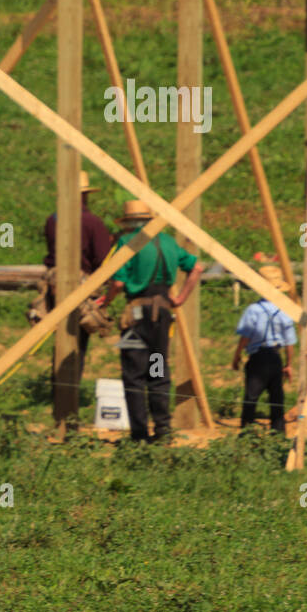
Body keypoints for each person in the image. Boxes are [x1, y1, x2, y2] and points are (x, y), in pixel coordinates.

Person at [101, 200, 203, 443]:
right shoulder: (168, 242)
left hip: (137, 316)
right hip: (163, 316)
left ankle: (138, 435)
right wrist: (180, 298)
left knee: (134, 374)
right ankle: (163, 431)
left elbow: (117, 283)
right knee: (158, 371)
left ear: (129, 223)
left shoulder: (129, 242)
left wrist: (105, 302)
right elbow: (197, 268)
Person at [43, 170, 112, 383]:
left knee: (61, 338)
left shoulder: (52, 220)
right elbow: (103, 258)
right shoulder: (92, 222)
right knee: (76, 342)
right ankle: (68, 394)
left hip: (54, 283)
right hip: (81, 285)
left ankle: (59, 388)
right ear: (84, 195)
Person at [232, 264, 297, 435]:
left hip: (258, 357)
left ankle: (247, 431)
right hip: (276, 357)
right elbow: (290, 342)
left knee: (251, 396)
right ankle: (278, 432)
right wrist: (289, 364)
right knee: (276, 397)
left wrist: (237, 356)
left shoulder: (253, 310)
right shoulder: (285, 310)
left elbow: (245, 336)